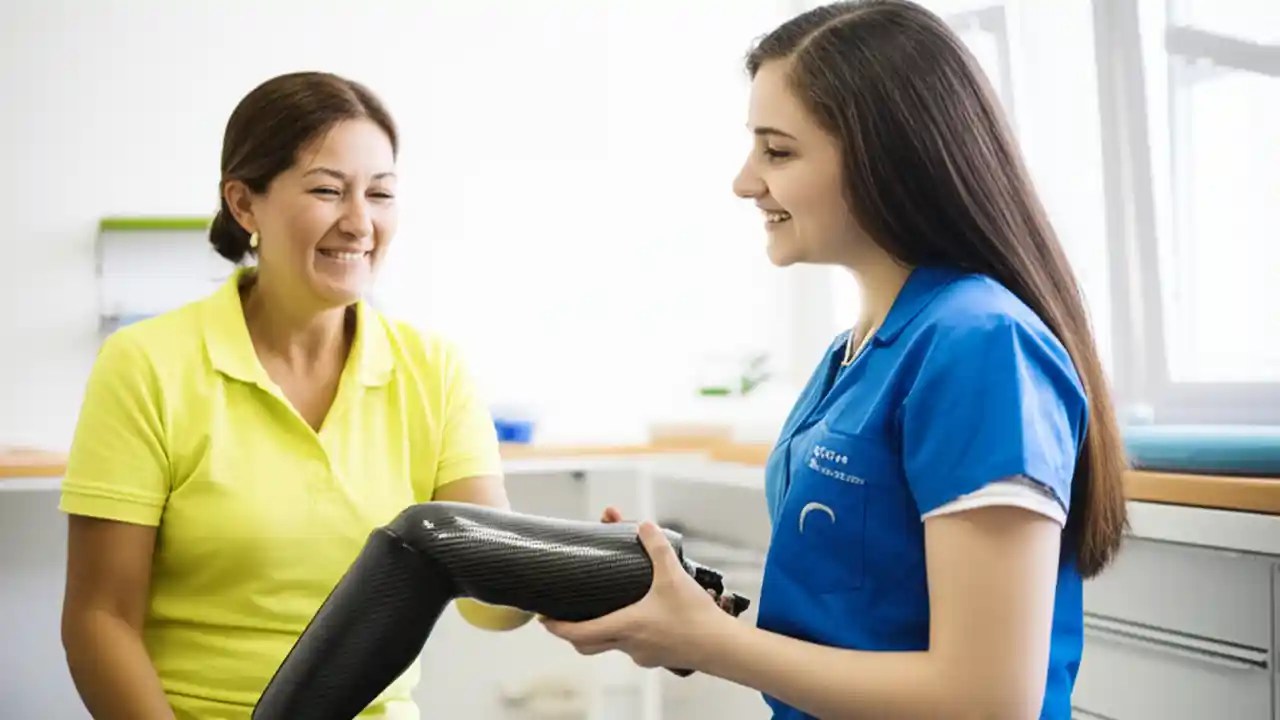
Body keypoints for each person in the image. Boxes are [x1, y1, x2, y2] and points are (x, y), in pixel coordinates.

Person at [542, 2, 1129, 718]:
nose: (744, 181)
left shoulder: (979, 344)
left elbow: (986, 700)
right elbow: (856, 628)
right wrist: (685, 614)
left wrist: (707, 643)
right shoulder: (855, 353)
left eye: (778, 151)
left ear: (888, 158)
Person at [58, 71, 531, 720]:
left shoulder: (434, 369)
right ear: (245, 205)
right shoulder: (146, 364)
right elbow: (99, 618)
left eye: (381, 193)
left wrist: (574, 572)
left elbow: (488, 600)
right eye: (327, 190)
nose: (360, 222)